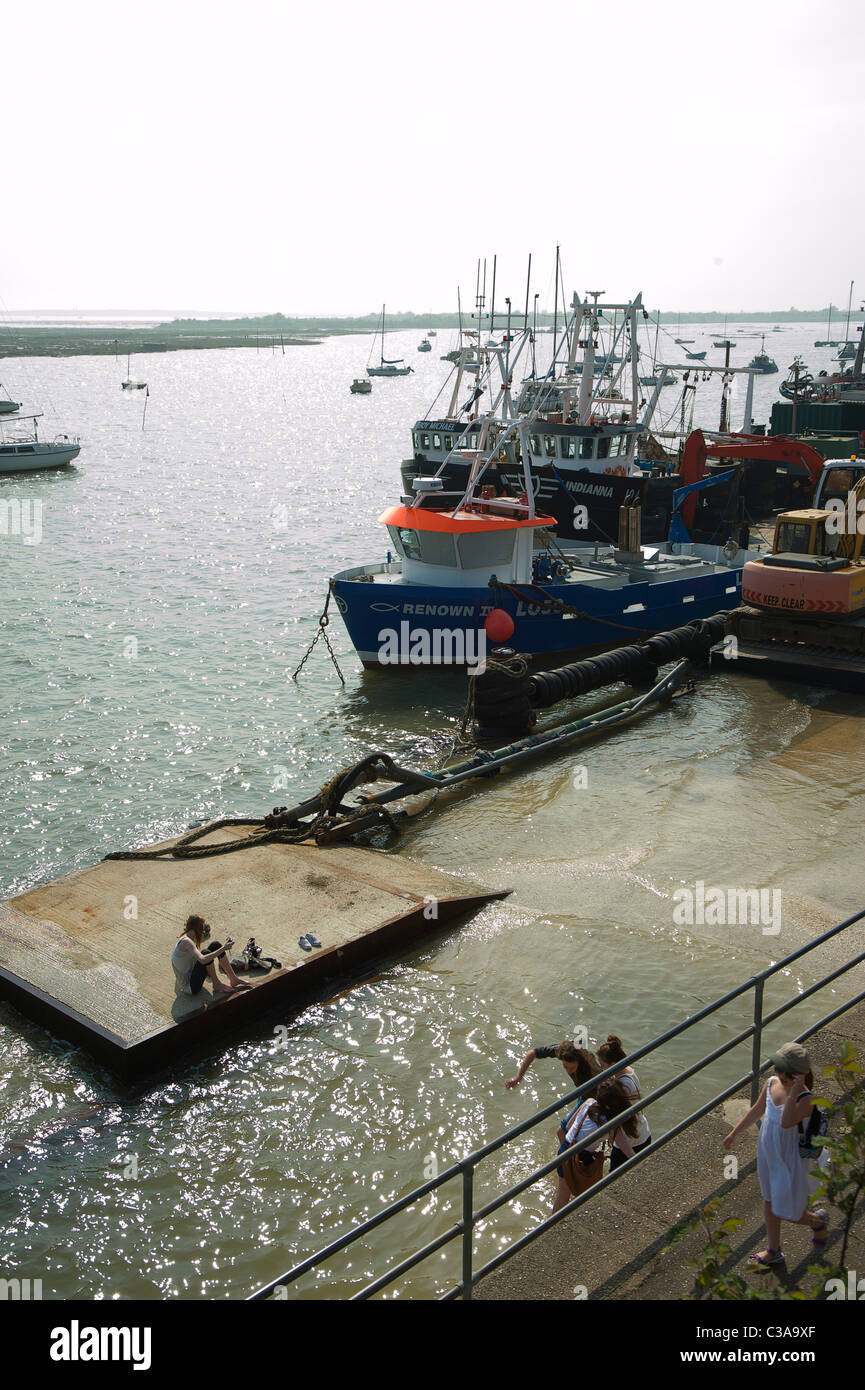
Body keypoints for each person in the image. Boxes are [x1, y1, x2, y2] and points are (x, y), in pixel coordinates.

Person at [722, 1042, 828, 1268]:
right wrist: (734, 1133)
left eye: (784, 1071)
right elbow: (757, 1110)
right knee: (769, 1202)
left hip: (789, 1160)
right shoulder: (771, 1083)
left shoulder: (806, 1099)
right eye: (776, 1068)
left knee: (786, 1210)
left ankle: (817, 1220)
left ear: (799, 1075)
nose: (778, 1074)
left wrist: (794, 1093)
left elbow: (786, 1121)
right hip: (769, 1155)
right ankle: (774, 1249)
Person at [553, 1079, 638, 1213]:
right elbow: (627, 1150)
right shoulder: (609, 1123)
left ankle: (555, 1225)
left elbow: (568, 1126)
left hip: (565, 1149)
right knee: (586, 1195)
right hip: (582, 1158)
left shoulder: (588, 1102)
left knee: (563, 1194)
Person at [596, 1035, 652, 1169]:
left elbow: (616, 1123)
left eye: (603, 1066)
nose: (602, 1070)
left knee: (615, 1181)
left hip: (631, 1141)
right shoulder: (629, 1071)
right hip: (643, 1131)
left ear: (613, 1064)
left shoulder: (623, 1086)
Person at [171, 914, 250, 996]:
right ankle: (217, 984)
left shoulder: (187, 937)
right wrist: (223, 948)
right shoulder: (187, 942)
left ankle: (233, 979)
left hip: (192, 975)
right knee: (206, 953)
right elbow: (202, 959)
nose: (203, 931)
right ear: (197, 928)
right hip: (190, 987)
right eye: (202, 928)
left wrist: (221, 948)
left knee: (215, 945)